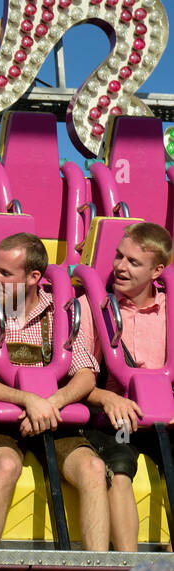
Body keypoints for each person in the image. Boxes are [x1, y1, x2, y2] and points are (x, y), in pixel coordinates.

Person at [0, 232, 109, 550]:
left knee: (93, 468)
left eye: (5, 273)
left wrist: (50, 403)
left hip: (50, 416)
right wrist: (27, 399)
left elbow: (84, 375)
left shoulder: (59, 312)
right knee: (7, 465)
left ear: (33, 277)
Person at [78, 221, 173, 551]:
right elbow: (78, 377)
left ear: (157, 270)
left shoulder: (169, 312)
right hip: (117, 419)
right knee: (118, 469)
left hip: (164, 417)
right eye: (119, 257)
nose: (119, 266)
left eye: (133, 262)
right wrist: (106, 398)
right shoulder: (95, 308)